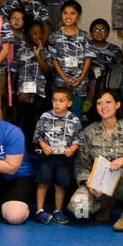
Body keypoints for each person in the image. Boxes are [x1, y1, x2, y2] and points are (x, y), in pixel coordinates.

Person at [71, 90, 123, 232]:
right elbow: (81, 166)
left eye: (108, 102)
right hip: (100, 186)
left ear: (117, 105)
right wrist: (88, 183)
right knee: (78, 208)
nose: (103, 106)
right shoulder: (89, 132)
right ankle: (105, 204)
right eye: (99, 103)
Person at [33, 88, 83, 225]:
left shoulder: (74, 119)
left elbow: (79, 137)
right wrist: (43, 145)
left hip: (64, 158)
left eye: (61, 101)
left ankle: (58, 210)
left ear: (69, 103)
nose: (57, 104)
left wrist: (73, 148)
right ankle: (39, 210)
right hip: (47, 156)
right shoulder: (45, 117)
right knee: (43, 183)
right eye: (55, 100)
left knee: (60, 185)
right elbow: (38, 134)